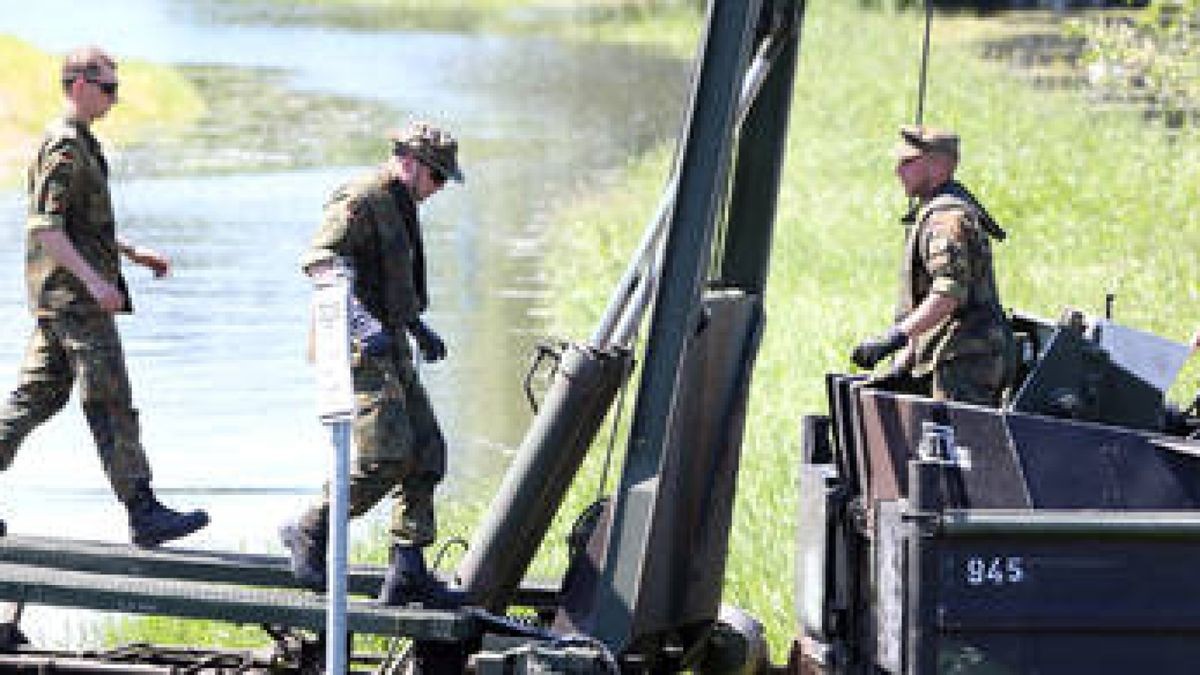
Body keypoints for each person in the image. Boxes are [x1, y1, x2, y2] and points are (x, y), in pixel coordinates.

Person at [0, 46, 209, 546]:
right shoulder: (65, 147)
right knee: (110, 399)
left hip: (65, 299)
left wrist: (131, 252)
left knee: (33, 401)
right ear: (77, 84)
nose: (115, 98)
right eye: (107, 88)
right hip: (76, 301)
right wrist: (95, 283)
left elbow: (78, 225)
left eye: (117, 87)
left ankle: (143, 510)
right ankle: (143, 512)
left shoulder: (82, 143)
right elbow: (46, 228)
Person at [281, 121, 465, 608]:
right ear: (410, 161)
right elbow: (319, 261)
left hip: (391, 342)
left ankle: (408, 569)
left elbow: (391, 279)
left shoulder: (403, 203)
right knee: (386, 455)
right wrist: (364, 326)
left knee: (427, 450)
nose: (439, 189)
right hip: (353, 344)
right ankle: (310, 528)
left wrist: (418, 329)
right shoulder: (362, 197)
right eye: (438, 178)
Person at [850, 125, 1015, 407]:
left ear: (939, 167)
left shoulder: (946, 221)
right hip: (949, 357)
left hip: (965, 361)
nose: (898, 171)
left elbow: (947, 294)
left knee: (962, 446)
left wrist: (895, 337)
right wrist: (906, 358)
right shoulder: (934, 212)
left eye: (908, 163)